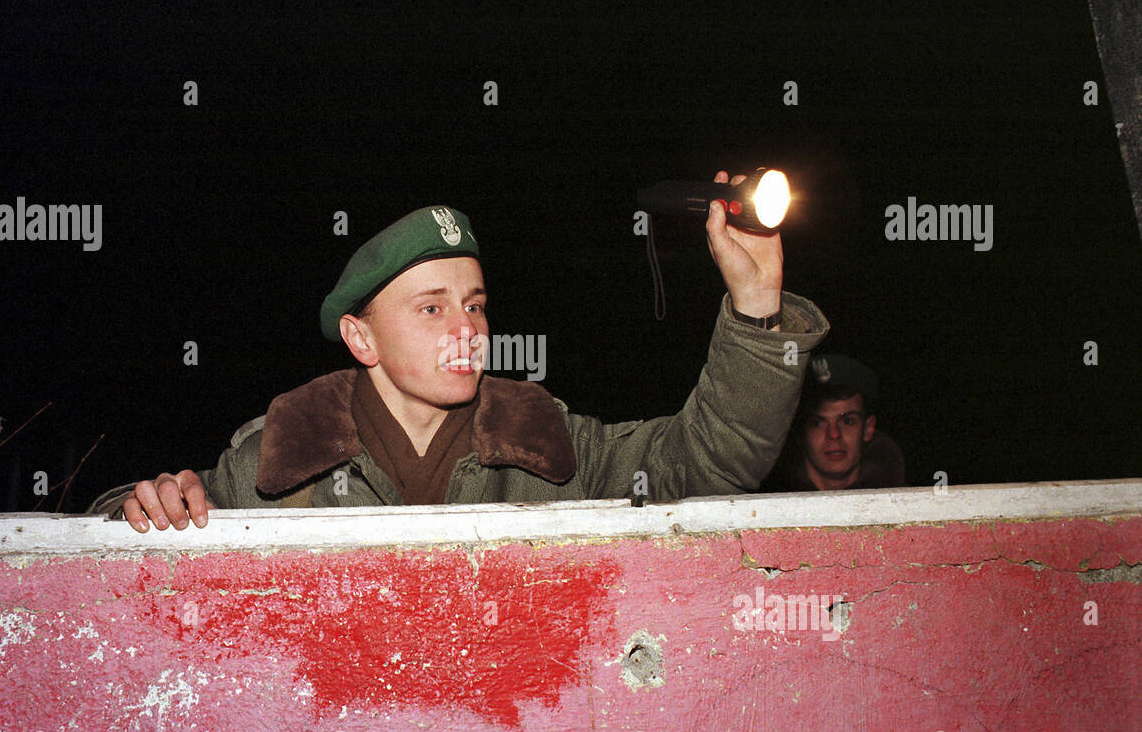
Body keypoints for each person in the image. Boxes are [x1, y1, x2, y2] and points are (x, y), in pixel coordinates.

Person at [89, 172, 830, 531]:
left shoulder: (548, 445)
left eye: (474, 305)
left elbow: (708, 463)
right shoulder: (279, 458)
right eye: (431, 308)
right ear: (361, 337)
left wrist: (756, 305)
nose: (465, 328)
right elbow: (111, 531)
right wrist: (136, 507)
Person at [760, 353, 906, 491]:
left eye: (847, 421)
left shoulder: (910, 504)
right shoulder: (761, 505)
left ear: (868, 428)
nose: (834, 434)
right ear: (800, 431)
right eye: (817, 423)